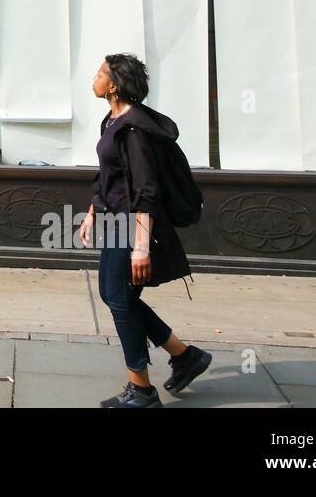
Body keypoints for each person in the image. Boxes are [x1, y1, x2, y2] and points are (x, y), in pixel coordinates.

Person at [77, 53, 212, 408]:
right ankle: (184, 356)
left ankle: (141, 389)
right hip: (113, 220)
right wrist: (94, 209)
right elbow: (110, 174)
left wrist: (141, 247)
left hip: (130, 226)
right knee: (115, 297)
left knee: (120, 301)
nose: (94, 78)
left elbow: (146, 191)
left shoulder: (133, 129)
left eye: (100, 74)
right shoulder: (112, 120)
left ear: (115, 85)